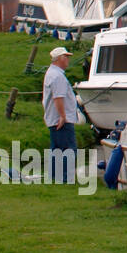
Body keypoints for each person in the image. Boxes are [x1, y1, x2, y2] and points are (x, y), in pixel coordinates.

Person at [42, 46, 80, 184]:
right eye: (66, 57)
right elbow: (58, 97)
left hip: (54, 118)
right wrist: (63, 116)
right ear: (61, 59)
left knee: (57, 149)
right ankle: (64, 178)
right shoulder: (57, 76)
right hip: (61, 119)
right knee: (68, 149)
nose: (68, 60)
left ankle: (54, 176)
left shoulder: (52, 73)